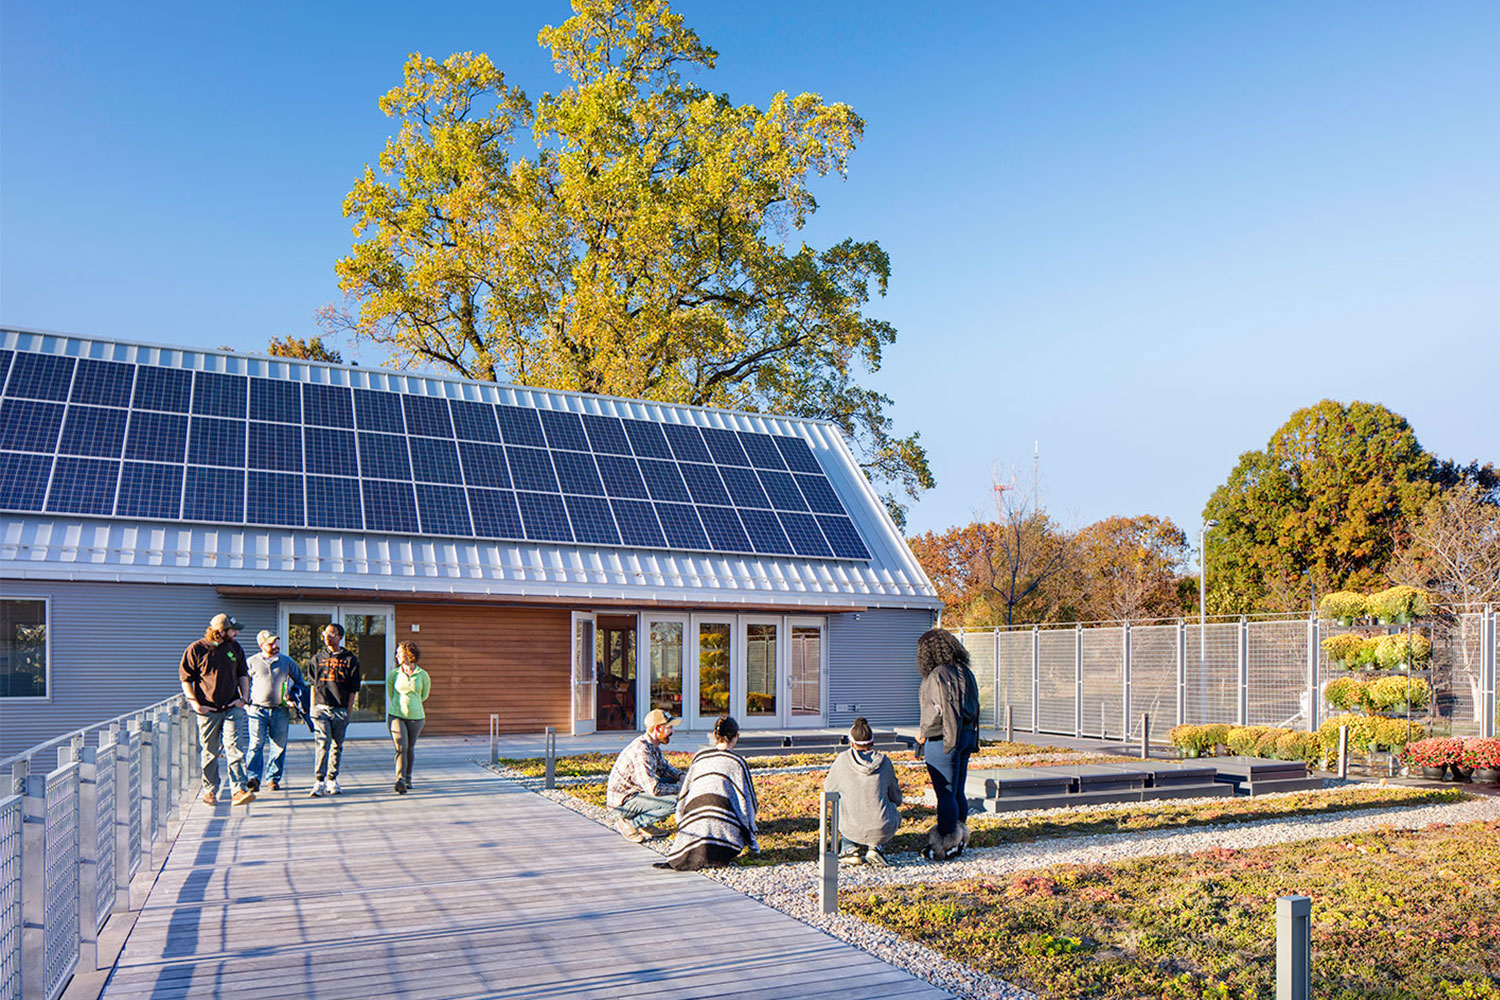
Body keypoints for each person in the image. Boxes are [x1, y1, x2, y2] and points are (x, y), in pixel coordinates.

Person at [915, 627, 981, 861]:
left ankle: (944, 841)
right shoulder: (966, 672)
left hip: (942, 739)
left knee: (944, 794)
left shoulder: (937, 675)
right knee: (958, 790)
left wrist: (922, 734)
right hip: (966, 736)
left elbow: (935, 712)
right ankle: (960, 836)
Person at [658, 716, 758, 870]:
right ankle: (717, 853)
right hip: (724, 838)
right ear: (735, 736)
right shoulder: (737, 762)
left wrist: (681, 819)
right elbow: (747, 802)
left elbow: (685, 792)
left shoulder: (699, 757)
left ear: (714, 735)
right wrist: (750, 834)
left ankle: (693, 850)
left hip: (691, 830)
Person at [179, 613, 255, 807]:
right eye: (233, 630)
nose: (236, 633)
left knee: (235, 748)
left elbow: (242, 674)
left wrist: (244, 698)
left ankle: (239, 790)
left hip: (232, 707)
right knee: (210, 752)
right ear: (220, 631)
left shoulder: (234, 648)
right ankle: (210, 790)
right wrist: (195, 703)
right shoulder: (196, 649)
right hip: (207, 710)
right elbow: (186, 679)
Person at [822, 717, 902, 866]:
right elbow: (896, 796)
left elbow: (829, 788)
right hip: (882, 827)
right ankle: (876, 847)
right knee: (886, 805)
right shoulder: (885, 762)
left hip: (851, 826)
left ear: (851, 742)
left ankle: (849, 849)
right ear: (873, 741)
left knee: (843, 804)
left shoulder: (842, 760)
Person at [605, 708, 683, 843]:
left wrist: (681, 776)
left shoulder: (652, 746)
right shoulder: (642, 751)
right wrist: (680, 788)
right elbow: (654, 789)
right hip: (622, 803)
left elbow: (664, 768)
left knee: (671, 781)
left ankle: (645, 824)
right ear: (658, 729)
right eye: (669, 728)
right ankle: (631, 824)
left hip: (635, 794)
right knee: (676, 803)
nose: (673, 732)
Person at [244, 630, 306, 792]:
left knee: (278, 745)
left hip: (280, 710)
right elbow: (241, 682)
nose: (276, 646)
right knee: (256, 744)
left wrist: (293, 697)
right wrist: (245, 704)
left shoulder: (286, 661)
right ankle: (253, 778)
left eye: (276, 642)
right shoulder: (251, 662)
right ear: (262, 645)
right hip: (257, 710)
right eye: (271, 643)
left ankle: (273, 779)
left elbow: (300, 681)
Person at [308, 622, 361, 797]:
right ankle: (319, 780)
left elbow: (353, 689)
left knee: (337, 745)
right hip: (321, 708)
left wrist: (348, 711)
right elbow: (313, 685)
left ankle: (332, 778)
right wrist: (312, 707)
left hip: (340, 709)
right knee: (323, 743)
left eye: (332, 634)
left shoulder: (350, 659)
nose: (328, 637)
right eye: (326, 634)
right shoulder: (317, 658)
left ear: (340, 637)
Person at [386, 640, 430, 794]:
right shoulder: (394, 674)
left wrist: (412, 705)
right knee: (401, 746)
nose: (396, 655)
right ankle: (400, 779)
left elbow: (424, 695)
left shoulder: (422, 675)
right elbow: (391, 693)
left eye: (399, 652)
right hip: (397, 715)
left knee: (410, 748)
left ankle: (408, 778)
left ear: (408, 654)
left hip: (417, 717)